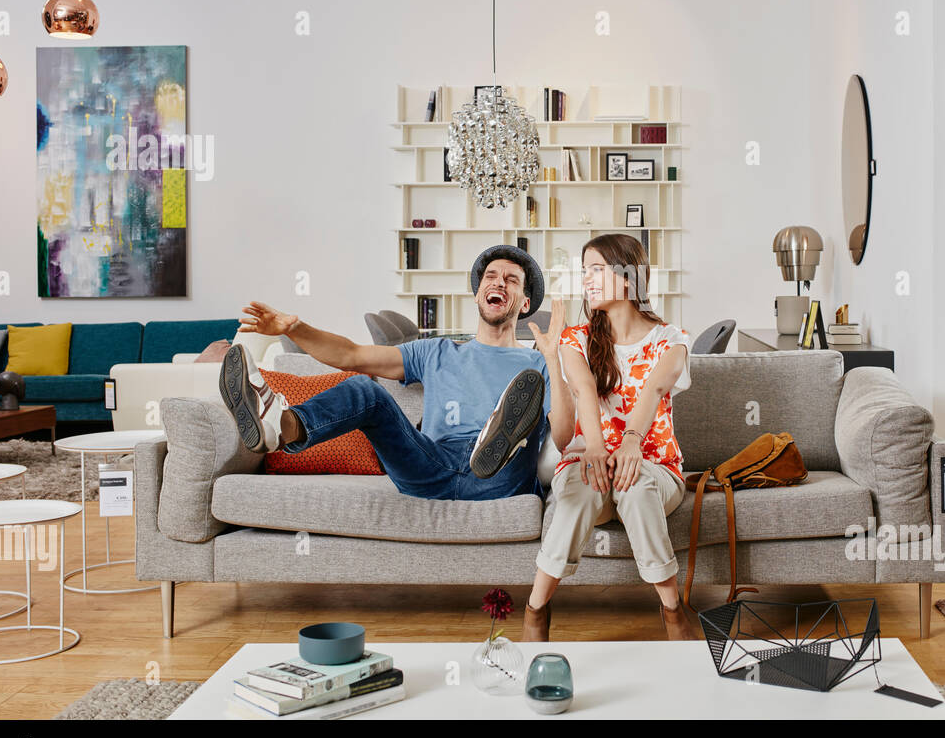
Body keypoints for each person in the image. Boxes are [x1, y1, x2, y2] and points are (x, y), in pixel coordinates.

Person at [217, 245, 575, 501]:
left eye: (511, 280)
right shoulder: (436, 351)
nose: (498, 283)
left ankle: (498, 441)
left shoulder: (538, 364)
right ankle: (282, 426)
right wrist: (294, 329)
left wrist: (553, 359)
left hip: (501, 479)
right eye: (491, 277)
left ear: (525, 303)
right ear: (478, 293)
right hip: (429, 465)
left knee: (526, 399)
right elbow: (351, 354)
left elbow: (562, 439)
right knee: (365, 390)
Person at [522, 233, 698, 640]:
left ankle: (672, 610)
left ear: (628, 275)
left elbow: (654, 388)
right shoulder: (575, 338)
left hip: (655, 467)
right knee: (579, 491)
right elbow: (584, 389)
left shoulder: (671, 339)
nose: (587, 279)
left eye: (597, 269)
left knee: (636, 487)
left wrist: (632, 441)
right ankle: (535, 610)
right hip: (590, 461)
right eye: (584, 271)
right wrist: (597, 448)